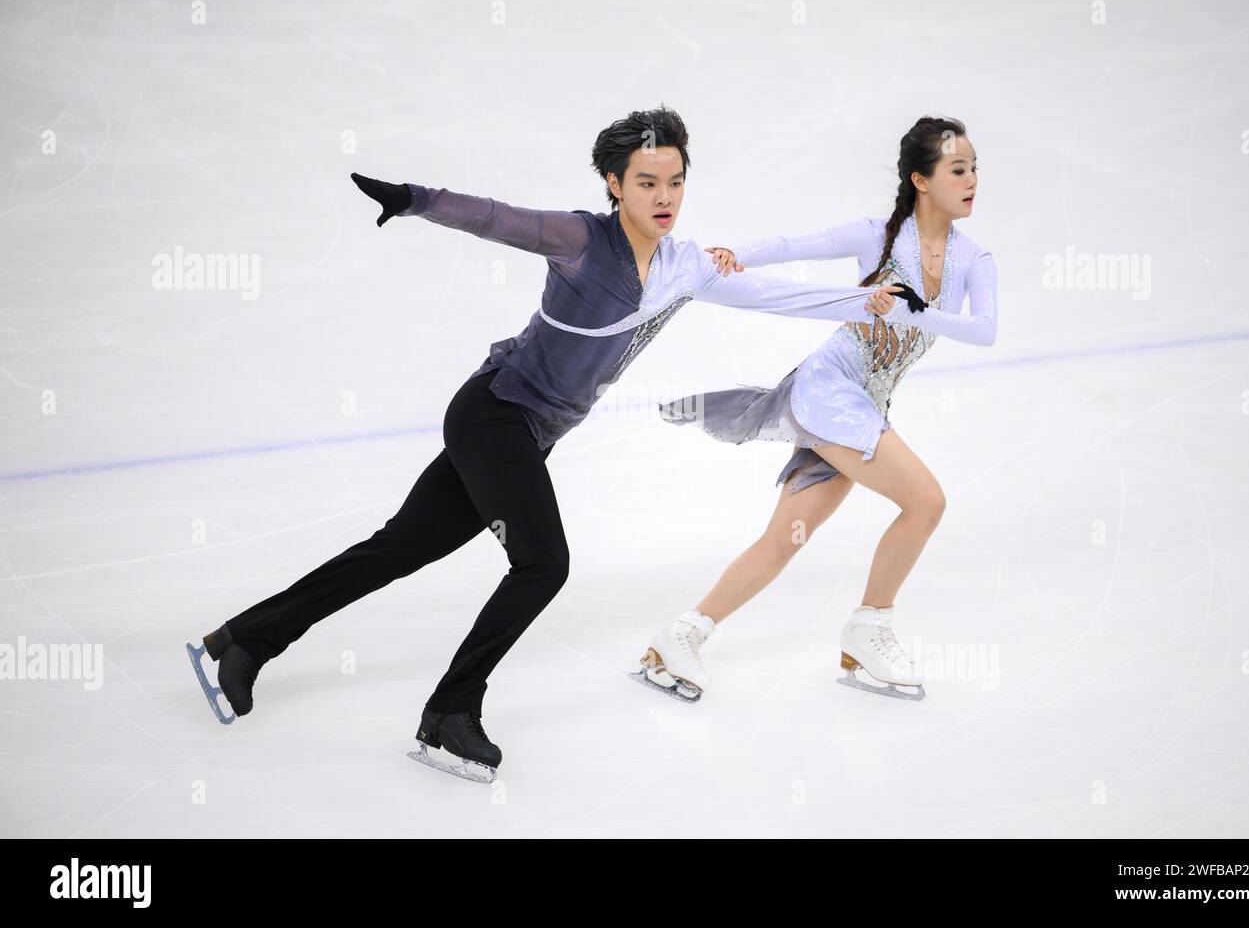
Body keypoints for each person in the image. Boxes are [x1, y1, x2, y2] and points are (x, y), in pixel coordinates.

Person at [186, 105, 892, 783]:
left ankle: (246, 638)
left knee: (398, 547)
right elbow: (498, 219)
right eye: (646, 181)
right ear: (614, 185)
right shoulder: (583, 242)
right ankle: (451, 710)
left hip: (527, 434)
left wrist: (868, 302)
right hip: (493, 414)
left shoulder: (686, 266)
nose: (664, 195)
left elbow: (770, 296)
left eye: (675, 180)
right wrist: (413, 197)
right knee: (543, 564)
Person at [640, 116, 997, 705]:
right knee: (926, 501)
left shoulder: (974, 259)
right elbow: (796, 246)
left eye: (975, 168)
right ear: (922, 179)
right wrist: (735, 256)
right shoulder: (882, 237)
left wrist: (914, 314)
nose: (973, 180)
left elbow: (984, 331)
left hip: (865, 401)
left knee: (785, 538)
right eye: (959, 169)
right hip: (830, 391)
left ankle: (680, 637)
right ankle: (871, 626)